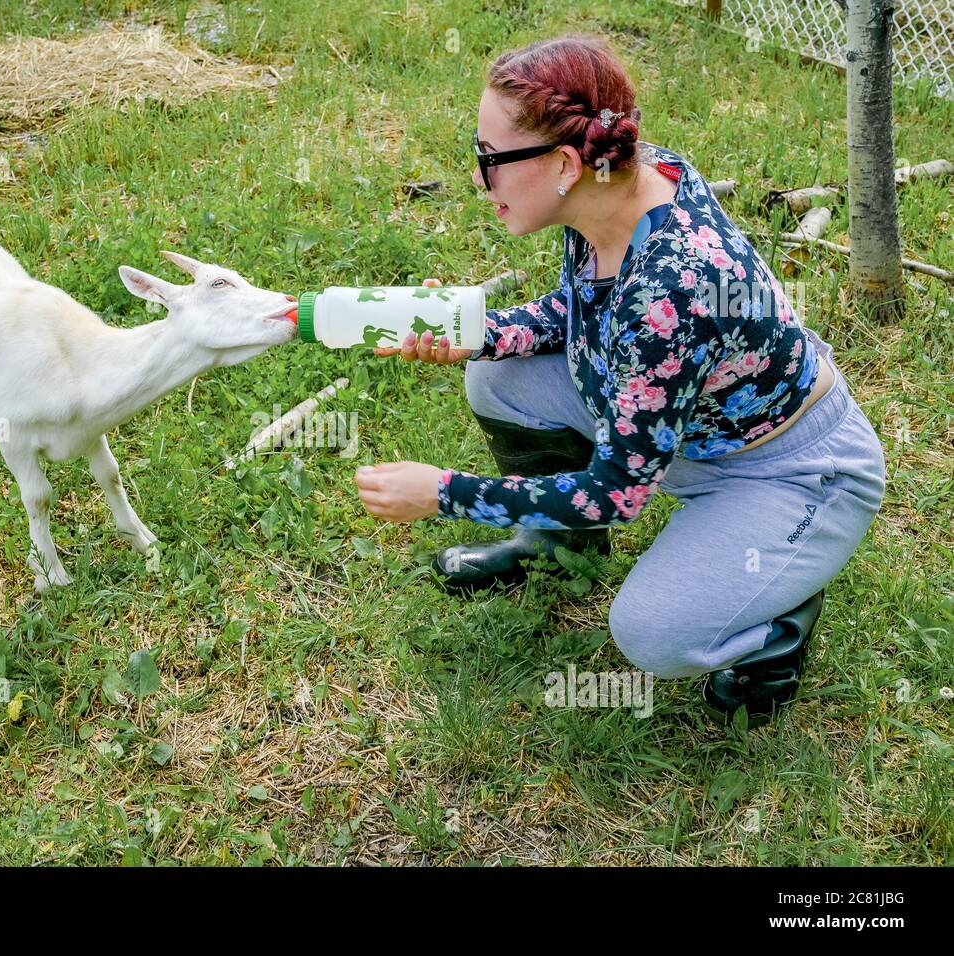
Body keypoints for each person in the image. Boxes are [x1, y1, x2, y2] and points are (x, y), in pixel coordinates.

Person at [352, 34, 885, 726]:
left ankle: (775, 613)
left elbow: (617, 492)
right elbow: (585, 312)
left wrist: (446, 493)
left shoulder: (674, 287)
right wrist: (480, 334)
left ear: (566, 163)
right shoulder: (621, 183)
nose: (480, 180)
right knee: (496, 378)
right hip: (683, 429)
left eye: (490, 161)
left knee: (652, 634)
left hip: (789, 470)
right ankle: (553, 545)